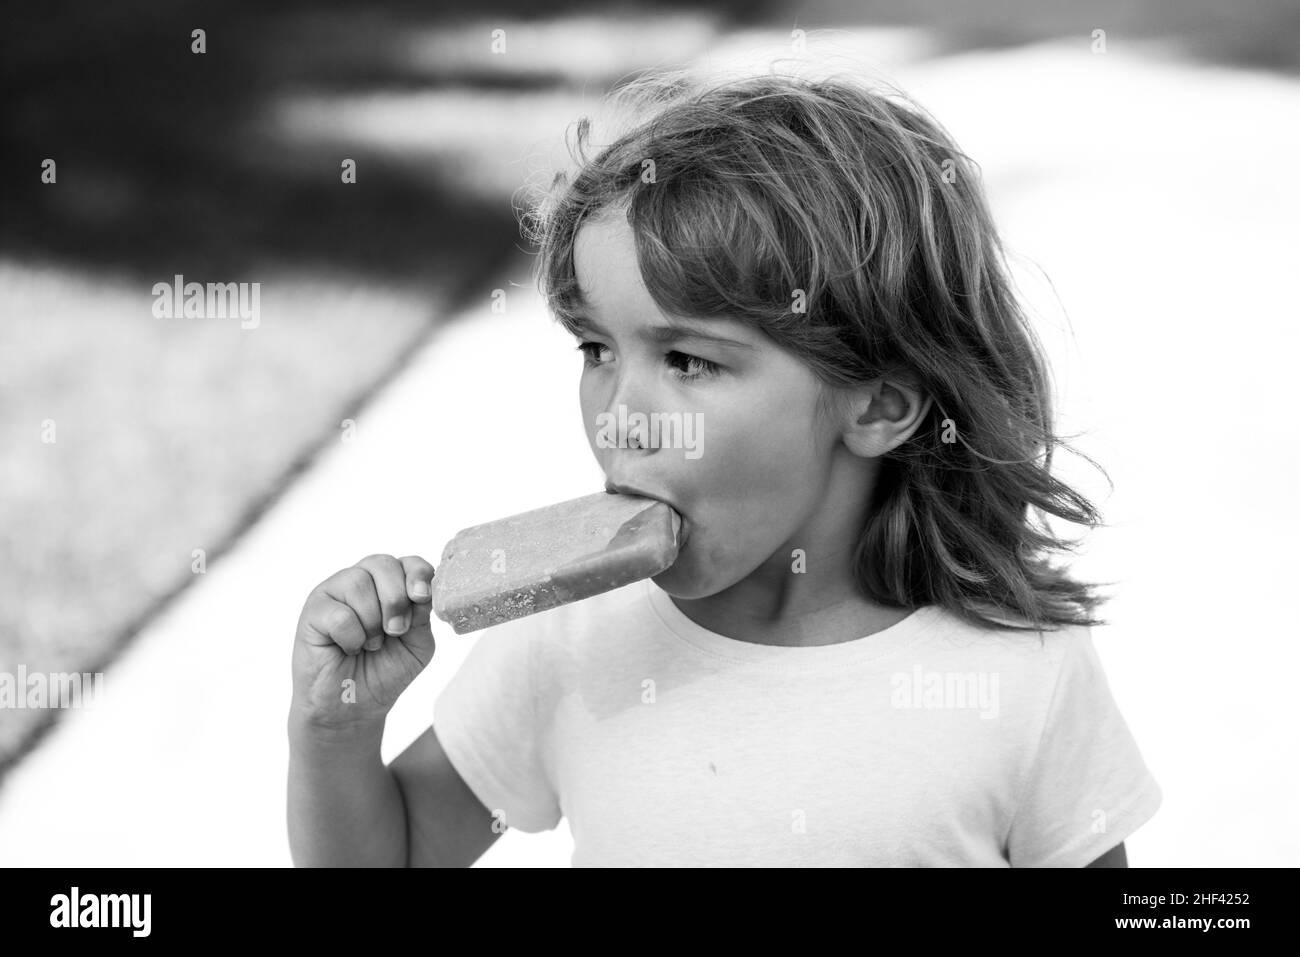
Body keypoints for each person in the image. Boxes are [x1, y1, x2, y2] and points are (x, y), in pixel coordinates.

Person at [287, 69, 1161, 867]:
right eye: (597, 348)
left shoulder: (1019, 674)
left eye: (690, 362)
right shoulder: (571, 636)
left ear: (881, 404)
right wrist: (334, 732)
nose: (620, 417)